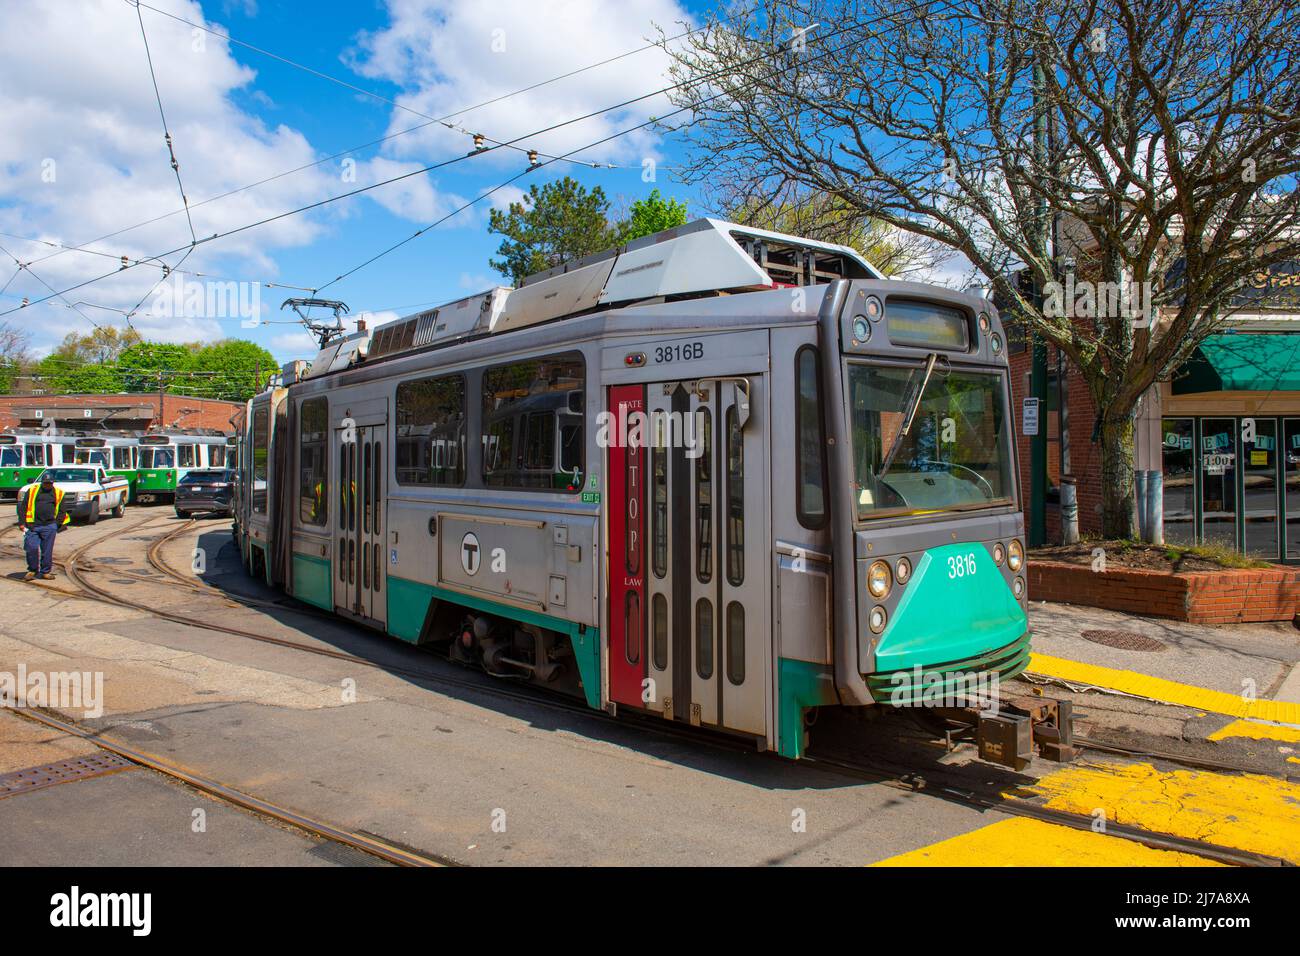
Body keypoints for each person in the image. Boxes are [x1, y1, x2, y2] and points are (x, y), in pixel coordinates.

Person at [16, 472, 71, 581]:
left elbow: (62, 510)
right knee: (31, 547)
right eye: (45, 483)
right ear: (42, 483)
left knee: (47, 550)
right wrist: (21, 522)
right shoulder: (32, 491)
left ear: (52, 483)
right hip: (32, 526)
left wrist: (57, 524)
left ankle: (45, 572)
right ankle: (32, 570)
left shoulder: (59, 493)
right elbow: (23, 507)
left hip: (49, 526)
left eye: (50, 483)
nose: (47, 485)